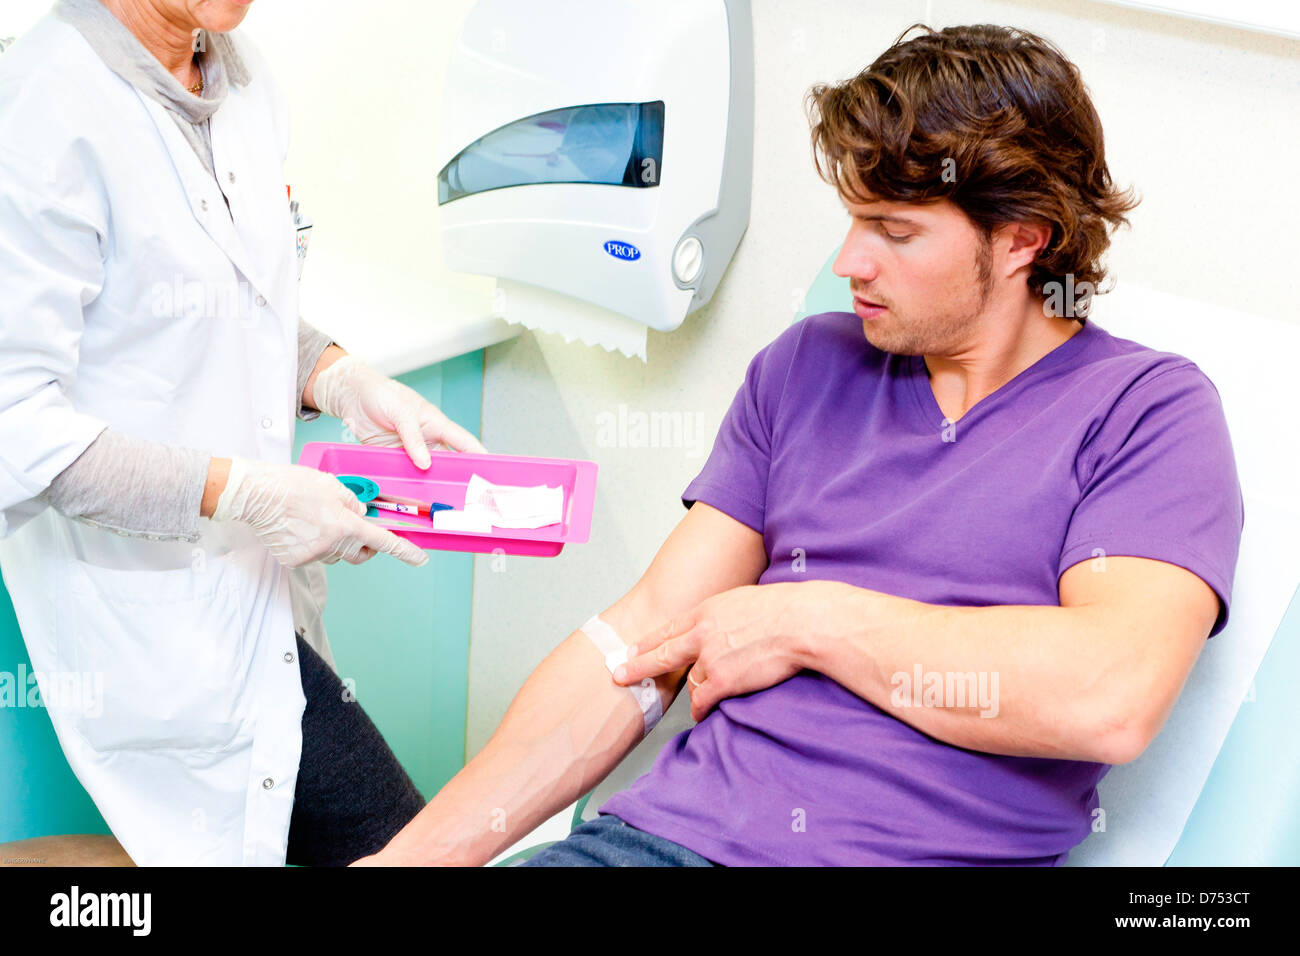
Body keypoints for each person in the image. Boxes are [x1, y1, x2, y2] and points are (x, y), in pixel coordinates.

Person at [355, 23, 1244, 867]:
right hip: (657, 846)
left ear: (1021, 241)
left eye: (896, 232)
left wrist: (808, 620)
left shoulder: (1145, 411)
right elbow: (639, 641)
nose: (851, 261)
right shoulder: (808, 367)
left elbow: (1109, 697)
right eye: (855, 220)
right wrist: (415, 858)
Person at [0, 0, 483, 866]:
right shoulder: (39, 103)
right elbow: (18, 428)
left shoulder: (243, 77)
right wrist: (249, 494)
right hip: (153, 613)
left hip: (256, 599)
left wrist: (338, 376)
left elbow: (231, 303)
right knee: (404, 846)